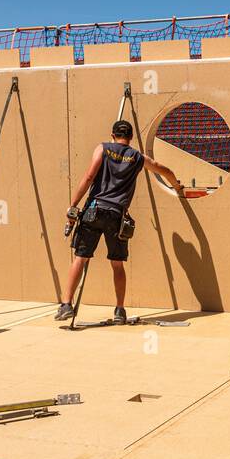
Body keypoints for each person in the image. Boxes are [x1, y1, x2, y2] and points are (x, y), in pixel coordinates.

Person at [55, 120, 184, 322]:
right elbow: (162, 169)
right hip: (117, 215)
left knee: (80, 257)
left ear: (112, 134)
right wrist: (177, 186)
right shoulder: (137, 157)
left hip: (94, 210)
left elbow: (89, 176)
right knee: (117, 264)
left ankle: (66, 305)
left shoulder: (103, 148)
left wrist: (73, 205)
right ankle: (119, 310)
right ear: (131, 137)